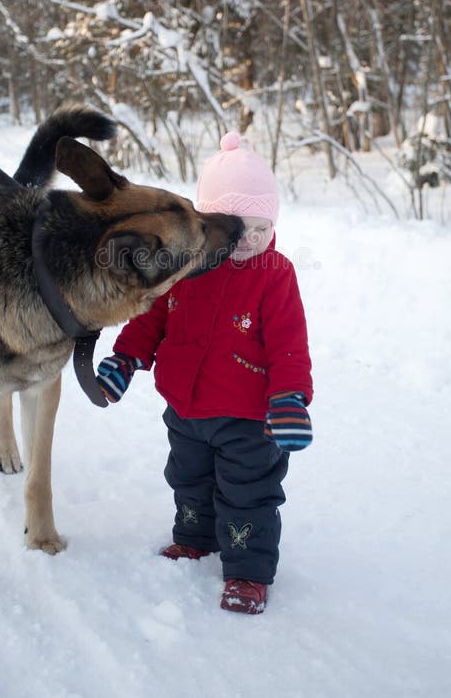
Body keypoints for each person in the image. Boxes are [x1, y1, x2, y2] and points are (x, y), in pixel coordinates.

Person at [96, 132, 313, 615]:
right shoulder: (186, 263)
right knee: (188, 479)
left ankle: (247, 572)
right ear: (210, 221)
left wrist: (289, 399)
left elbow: (289, 345)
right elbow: (150, 316)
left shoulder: (275, 273)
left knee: (248, 494)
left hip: (249, 420)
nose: (253, 237)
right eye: (240, 226)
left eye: (264, 225)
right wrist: (125, 359)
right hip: (185, 408)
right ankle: (193, 537)